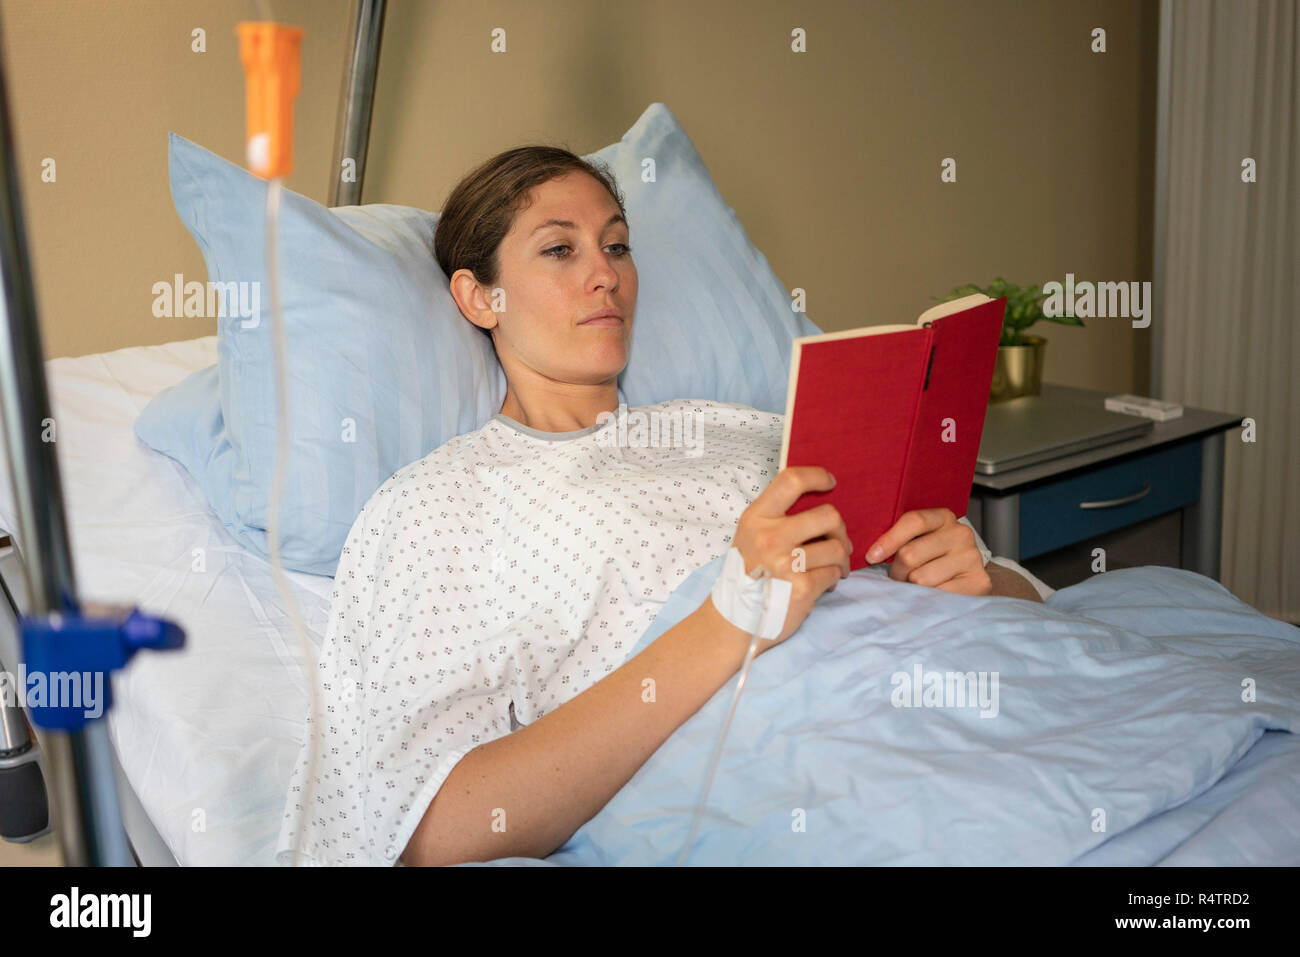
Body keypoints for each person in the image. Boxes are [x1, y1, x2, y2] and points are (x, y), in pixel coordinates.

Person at [275, 145, 1053, 868]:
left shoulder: (748, 431)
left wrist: (984, 579)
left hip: (985, 697)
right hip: (833, 775)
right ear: (481, 296)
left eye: (616, 245)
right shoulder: (440, 506)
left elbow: (1027, 600)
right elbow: (427, 828)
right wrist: (728, 619)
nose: (604, 274)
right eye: (560, 249)